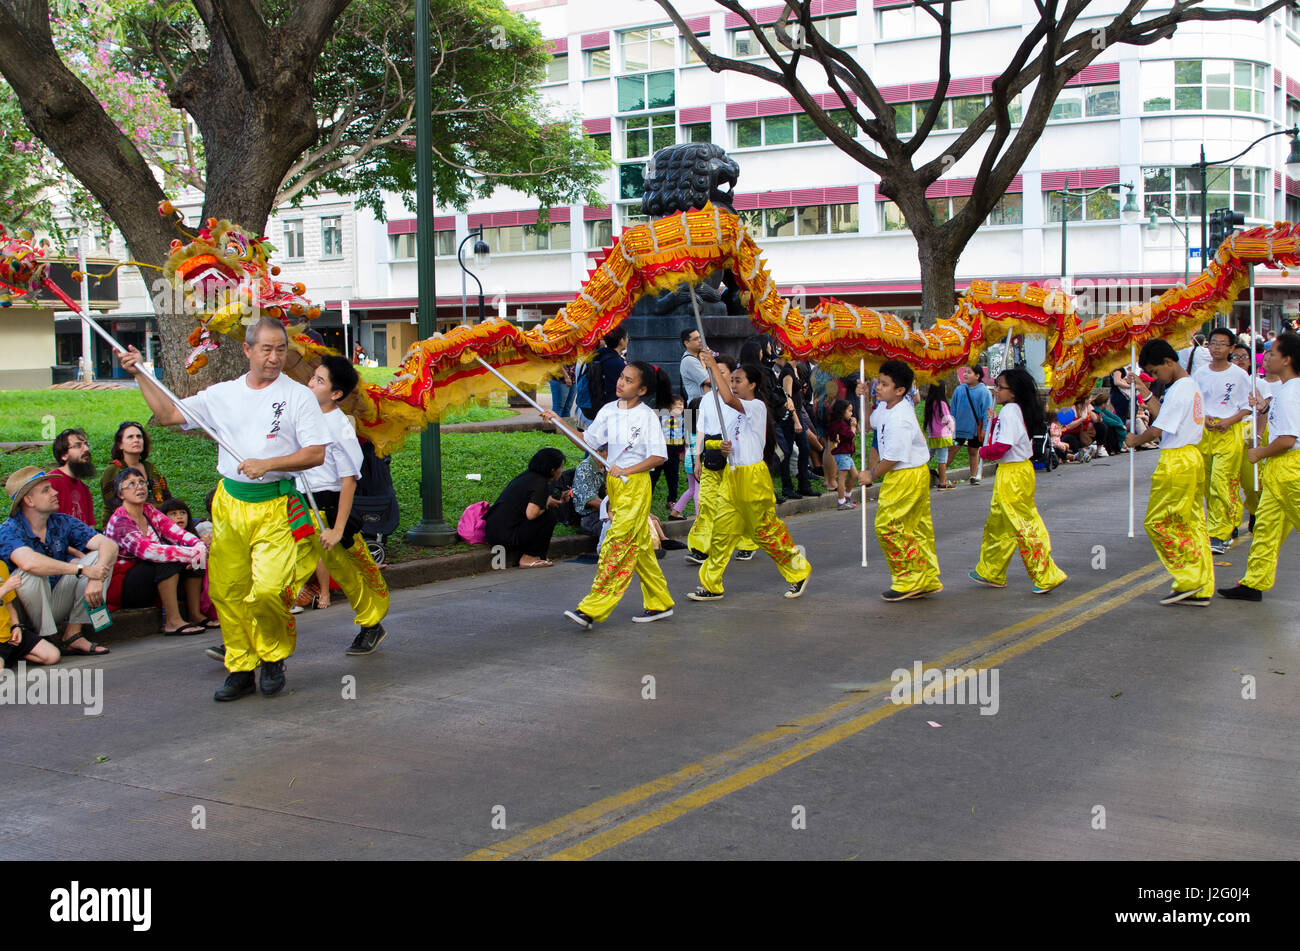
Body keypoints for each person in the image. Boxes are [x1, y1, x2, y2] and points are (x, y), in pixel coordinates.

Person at [116, 316, 330, 701]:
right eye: (266, 349)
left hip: (276, 505)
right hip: (230, 504)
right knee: (229, 591)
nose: (274, 357)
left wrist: (269, 464)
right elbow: (168, 416)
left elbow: (315, 453)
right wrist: (141, 374)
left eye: (280, 349)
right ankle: (240, 665)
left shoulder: (298, 396)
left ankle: (272, 655)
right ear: (247, 350)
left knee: (267, 590)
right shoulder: (222, 394)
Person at [543, 361, 675, 628]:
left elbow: (659, 456)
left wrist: (627, 467)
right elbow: (587, 442)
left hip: (635, 485)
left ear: (642, 389)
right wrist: (559, 422)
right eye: (621, 377)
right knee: (639, 548)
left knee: (616, 546)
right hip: (616, 485)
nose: (620, 382)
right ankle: (660, 602)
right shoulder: (607, 411)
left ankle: (591, 609)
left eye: (628, 380)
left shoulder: (647, 415)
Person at [687, 353, 811, 602]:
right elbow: (737, 440)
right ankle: (711, 584)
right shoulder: (734, 411)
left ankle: (798, 570)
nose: (733, 384)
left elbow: (729, 399)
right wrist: (725, 449)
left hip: (753, 479)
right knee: (721, 533)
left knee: (766, 531)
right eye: (731, 380)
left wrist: (712, 368)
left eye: (738, 380)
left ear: (752, 384)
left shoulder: (756, 406)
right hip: (732, 476)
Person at [294, 355, 392, 654]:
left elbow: (349, 479)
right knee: (278, 572)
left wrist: (337, 529)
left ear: (336, 394)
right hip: (297, 506)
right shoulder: (301, 414)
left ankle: (372, 623)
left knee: (353, 572)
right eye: (313, 377)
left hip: (329, 508)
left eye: (319, 381)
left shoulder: (339, 427)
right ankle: (247, 636)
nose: (311, 383)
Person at [1125, 339, 1214, 606]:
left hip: (1177, 460)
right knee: (1191, 523)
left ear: (1169, 362)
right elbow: (1165, 417)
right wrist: (1144, 390)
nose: (1155, 377)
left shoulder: (1180, 390)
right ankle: (1201, 584)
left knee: (1159, 522)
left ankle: (1190, 578)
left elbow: (1158, 429)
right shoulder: (1188, 386)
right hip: (1190, 457)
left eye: (1155, 372)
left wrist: (1135, 440)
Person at [0, 466, 119, 655]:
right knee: (27, 574)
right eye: (46, 490)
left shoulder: (62, 521)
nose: (55, 492)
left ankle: (73, 634)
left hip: (55, 601)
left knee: (99, 557)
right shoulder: (9, 530)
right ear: (29, 500)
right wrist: (81, 569)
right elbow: (29, 562)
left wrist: (96, 576)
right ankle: (46, 639)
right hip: (24, 613)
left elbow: (109, 545)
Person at [969, 369, 1068, 593]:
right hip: (1012, 471)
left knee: (1023, 524)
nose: (996, 390)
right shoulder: (1010, 410)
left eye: (1000, 387)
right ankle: (991, 570)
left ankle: (1046, 573)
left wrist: (984, 452)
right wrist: (993, 423)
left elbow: (1003, 446)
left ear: (1013, 392)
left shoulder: (1011, 410)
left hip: (1013, 474)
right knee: (999, 523)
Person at [1218, 332, 1300, 601]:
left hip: (1290, 469)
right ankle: (1254, 582)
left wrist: (1259, 453)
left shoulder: (1291, 392)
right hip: (1279, 471)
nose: (1266, 357)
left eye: (1272, 353)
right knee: (1265, 526)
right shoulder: (1287, 390)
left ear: (1287, 360)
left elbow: (1287, 440)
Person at [858, 361, 941, 601]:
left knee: (889, 525)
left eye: (884, 384)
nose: (878, 388)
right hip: (906, 472)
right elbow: (868, 423)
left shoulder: (901, 417)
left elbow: (894, 457)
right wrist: (864, 398)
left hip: (906, 474)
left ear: (900, 390)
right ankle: (926, 577)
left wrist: (871, 474)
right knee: (916, 528)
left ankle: (910, 578)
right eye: (877, 383)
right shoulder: (887, 407)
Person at [104, 467, 209, 635]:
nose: (139, 487)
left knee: (196, 562)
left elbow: (177, 533)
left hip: (147, 576)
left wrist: (199, 548)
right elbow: (148, 551)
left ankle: (195, 614)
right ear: (120, 494)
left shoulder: (149, 511)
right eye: (131, 484)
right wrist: (191, 553)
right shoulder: (120, 521)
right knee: (168, 560)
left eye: (141, 482)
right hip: (123, 585)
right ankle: (172, 621)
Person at [685, 356, 758, 565]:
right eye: (712, 370)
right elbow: (700, 429)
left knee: (737, 503)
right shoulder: (706, 399)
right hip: (711, 454)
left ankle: (746, 543)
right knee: (707, 502)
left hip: (734, 455)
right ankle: (701, 547)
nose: (716, 375)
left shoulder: (742, 401)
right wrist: (697, 457)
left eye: (721, 371)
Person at [1192, 327, 1252, 553]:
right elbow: (1196, 401)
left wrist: (1229, 420)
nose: (1216, 348)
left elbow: (1247, 406)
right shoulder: (1200, 373)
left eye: (1221, 344)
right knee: (1206, 482)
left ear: (1231, 348)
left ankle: (1219, 533)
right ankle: (1216, 526)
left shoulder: (1239, 375)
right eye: (1213, 343)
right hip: (1205, 431)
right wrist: (1203, 417)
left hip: (1229, 430)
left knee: (1221, 481)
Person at [485, 447, 568, 569]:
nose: (562, 471)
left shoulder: (528, 476)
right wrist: (547, 504)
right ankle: (530, 557)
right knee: (549, 516)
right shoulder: (540, 483)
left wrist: (553, 499)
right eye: (561, 467)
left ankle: (538, 555)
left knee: (546, 514)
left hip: (493, 532)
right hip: (504, 537)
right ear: (552, 470)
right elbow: (531, 514)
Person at [99, 421, 171, 528]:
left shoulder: (151, 468)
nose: (136, 440)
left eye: (139, 437)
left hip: (159, 522)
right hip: (124, 526)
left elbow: (167, 497)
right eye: (130, 437)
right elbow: (113, 504)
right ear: (120, 445)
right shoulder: (113, 470)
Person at [0, 562, 60, 667]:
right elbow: (4, 590)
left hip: (8, 633)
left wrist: (16, 626)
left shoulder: (1, 566)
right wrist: (5, 588)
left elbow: (9, 605)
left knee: (52, 656)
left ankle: (10, 658)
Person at [574, 326, 628, 426]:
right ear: (621, 340)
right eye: (627, 337)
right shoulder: (616, 363)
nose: (628, 340)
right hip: (608, 413)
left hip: (590, 409)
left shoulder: (596, 356)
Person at [951, 366, 992, 484]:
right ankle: (941, 472)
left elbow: (986, 412)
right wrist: (951, 426)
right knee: (952, 448)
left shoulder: (984, 391)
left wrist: (985, 428)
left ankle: (974, 476)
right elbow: (953, 408)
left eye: (969, 372)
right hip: (958, 431)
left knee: (973, 451)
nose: (965, 375)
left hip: (975, 430)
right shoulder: (959, 389)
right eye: (965, 372)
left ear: (977, 375)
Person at [47, 428, 96, 527]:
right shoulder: (50, 482)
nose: (86, 449)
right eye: (78, 445)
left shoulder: (84, 488)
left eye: (86, 444)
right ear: (64, 455)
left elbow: (90, 528)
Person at [824, 399, 858, 510]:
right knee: (842, 478)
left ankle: (847, 496)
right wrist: (853, 426)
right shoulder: (840, 425)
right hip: (842, 454)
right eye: (849, 411)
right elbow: (850, 436)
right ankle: (841, 501)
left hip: (846, 454)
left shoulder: (841, 423)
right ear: (841, 411)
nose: (851, 414)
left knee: (854, 475)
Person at [923, 383, 956, 489]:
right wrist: (953, 429)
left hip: (933, 435)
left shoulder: (929, 403)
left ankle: (917, 469)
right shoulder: (942, 403)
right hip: (944, 436)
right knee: (942, 460)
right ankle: (942, 482)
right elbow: (948, 419)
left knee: (928, 455)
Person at [679, 328, 709, 402]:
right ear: (686, 343)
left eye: (700, 337)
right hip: (696, 406)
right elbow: (708, 381)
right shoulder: (689, 360)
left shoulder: (700, 356)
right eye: (696, 339)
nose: (700, 341)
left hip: (702, 403)